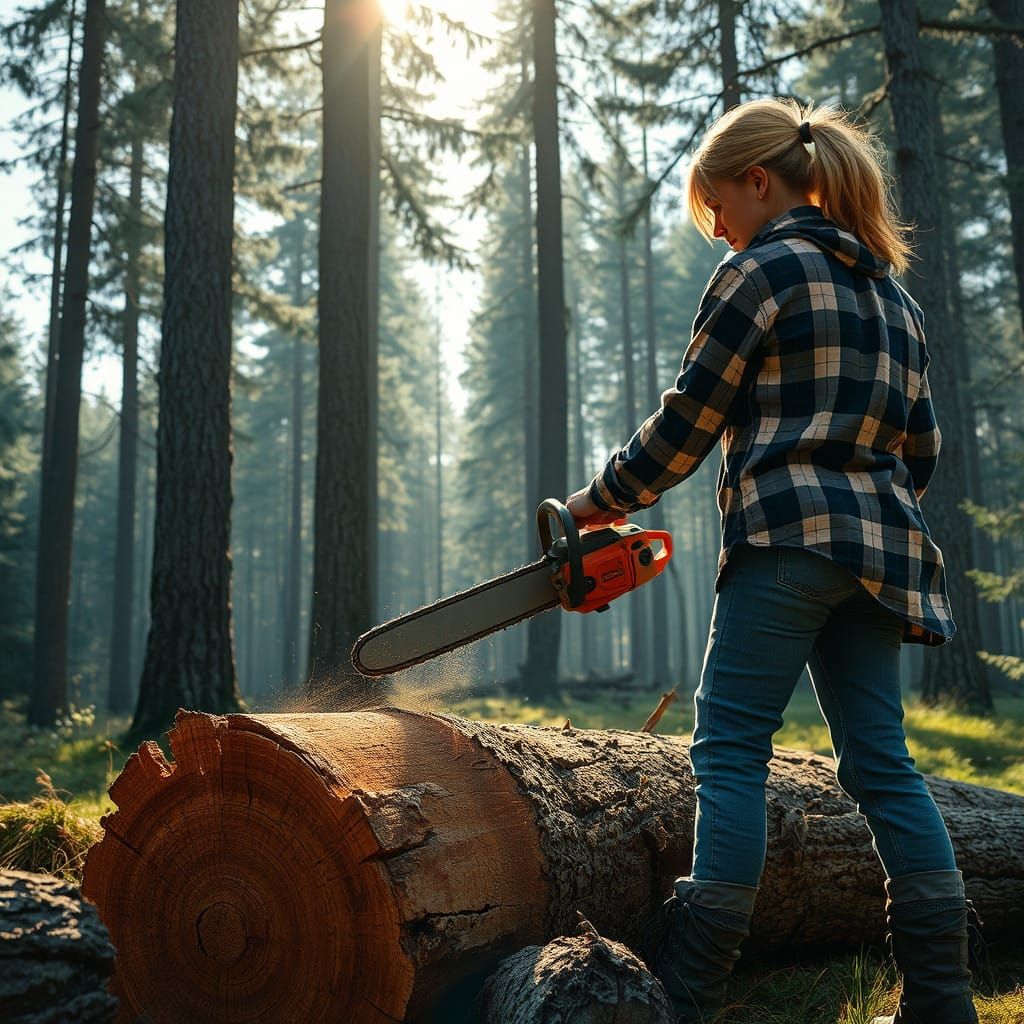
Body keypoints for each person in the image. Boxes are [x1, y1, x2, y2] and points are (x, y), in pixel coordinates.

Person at [565, 97, 979, 1024]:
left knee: (730, 750)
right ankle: (943, 1000)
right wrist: (866, 505)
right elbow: (921, 452)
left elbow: (690, 418)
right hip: (882, 559)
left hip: (784, 542)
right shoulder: (897, 299)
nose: (717, 230)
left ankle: (691, 993)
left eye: (717, 208)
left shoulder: (758, 273)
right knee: (884, 766)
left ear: (758, 181)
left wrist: (602, 498)